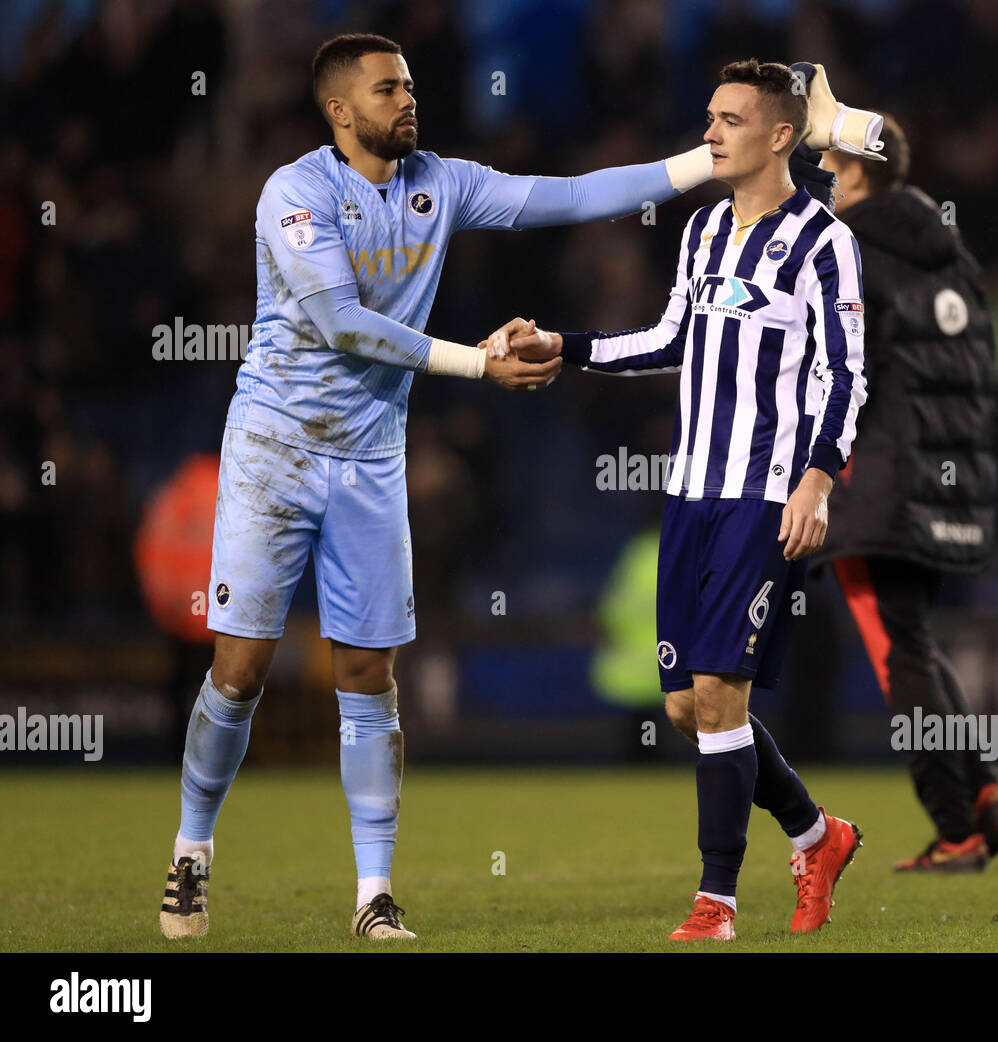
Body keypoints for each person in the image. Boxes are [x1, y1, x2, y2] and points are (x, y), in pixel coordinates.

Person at [158, 30, 751, 942]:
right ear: (338, 109)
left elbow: (569, 197)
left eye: (410, 85)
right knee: (238, 674)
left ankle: (373, 893)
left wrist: (696, 166)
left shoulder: (441, 180)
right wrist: (477, 366)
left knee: (369, 674)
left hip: (370, 460)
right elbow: (338, 322)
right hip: (274, 453)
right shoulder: (298, 193)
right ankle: (192, 854)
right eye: (387, 88)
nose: (408, 100)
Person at [489, 59, 869, 941]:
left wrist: (817, 478)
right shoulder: (699, 231)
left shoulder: (822, 242)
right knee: (689, 707)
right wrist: (565, 344)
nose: (710, 133)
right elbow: (669, 340)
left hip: (765, 492)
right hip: (690, 489)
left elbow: (845, 374)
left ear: (780, 135)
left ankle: (717, 901)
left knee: (719, 692)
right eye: (707, 117)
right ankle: (819, 835)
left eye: (730, 119)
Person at [803, 116, 998, 872]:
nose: (822, 175)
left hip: (881, 480)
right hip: (949, 475)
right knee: (916, 643)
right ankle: (985, 793)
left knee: (899, 654)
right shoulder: (950, 252)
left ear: (857, 175)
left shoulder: (850, 249)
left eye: (830, 163)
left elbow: (833, 367)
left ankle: (956, 828)